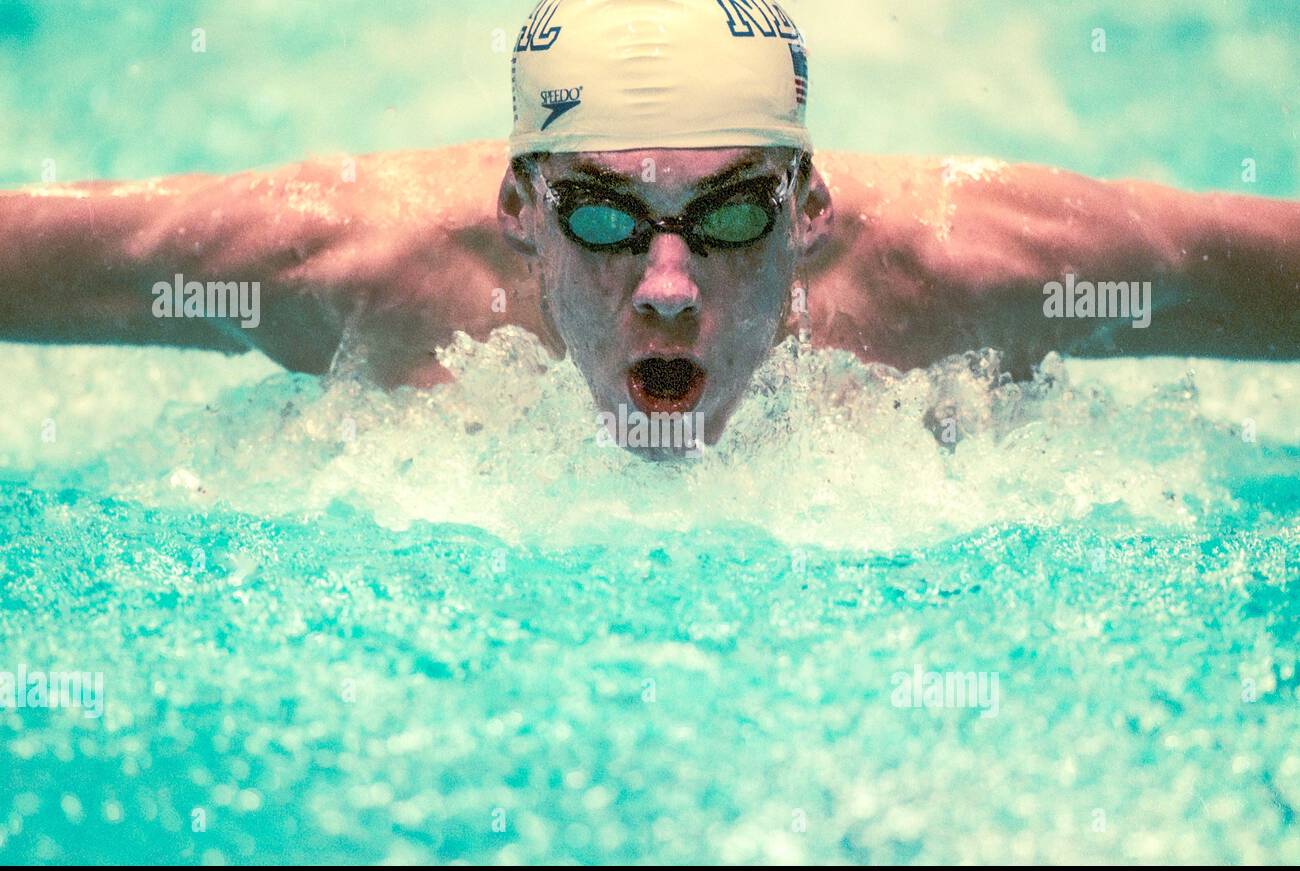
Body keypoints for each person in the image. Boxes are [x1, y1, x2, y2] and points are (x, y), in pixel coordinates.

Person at [1, 0, 1296, 454]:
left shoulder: (982, 262)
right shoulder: (345, 261)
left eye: (727, 214)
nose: (669, 287)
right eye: (605, 216)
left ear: (811, 208)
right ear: (519, 211)